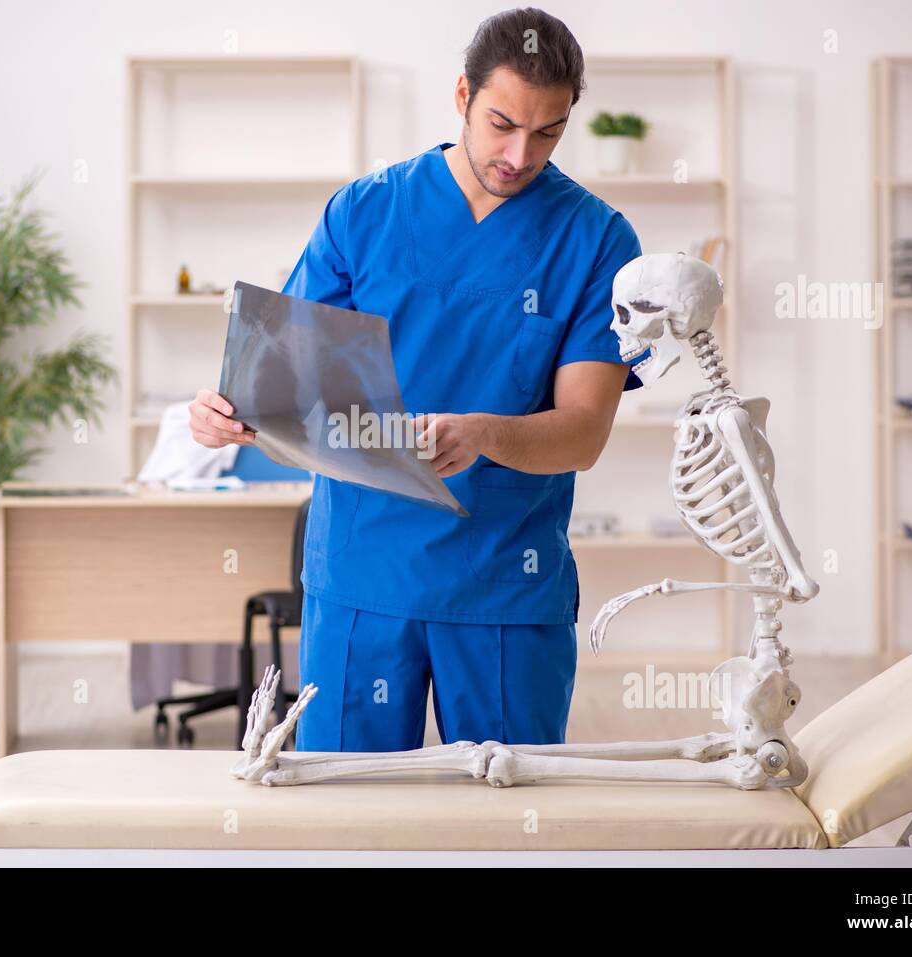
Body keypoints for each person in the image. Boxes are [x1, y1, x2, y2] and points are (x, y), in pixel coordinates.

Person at [190, 7, 649, 752]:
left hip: (503, 583)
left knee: (509, 826)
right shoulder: (363, 215)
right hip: (362, 580)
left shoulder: (597, 239)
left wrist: (484, 433)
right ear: (462, 96)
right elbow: (288, 407)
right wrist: (233, 418)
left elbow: (584, 432)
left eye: (548, 132)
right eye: (502, 122)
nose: (518, 154)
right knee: (347, 822)